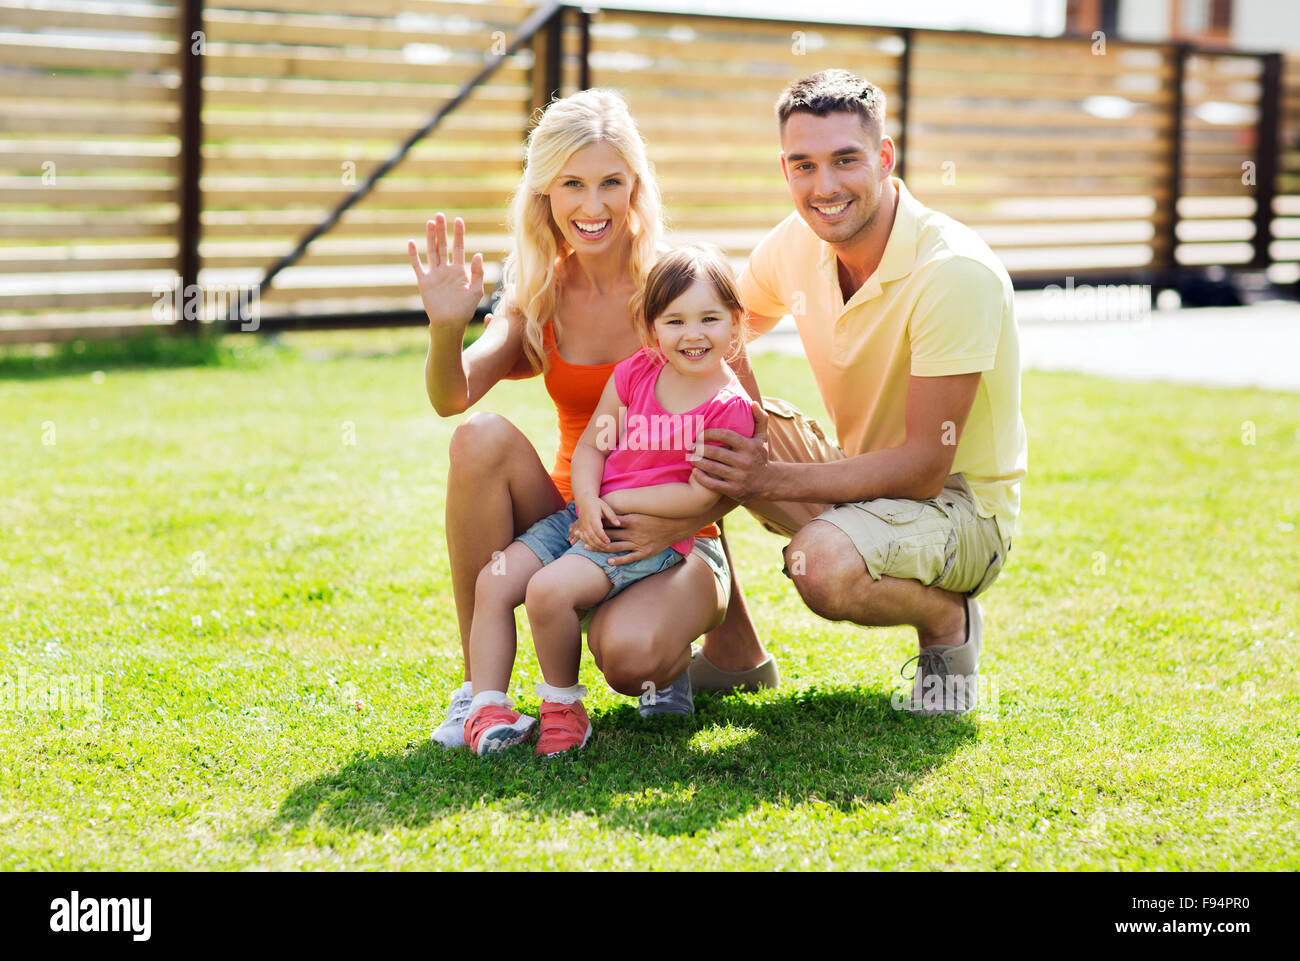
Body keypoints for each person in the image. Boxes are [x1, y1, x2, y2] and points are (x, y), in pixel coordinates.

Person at [409, 89, 762, 748]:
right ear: (545, 191)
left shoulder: (678, 288)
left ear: (636, 186)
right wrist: (445, 329)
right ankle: (478, 697)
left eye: (610, 183)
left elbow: (748, 439)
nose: (593, 206)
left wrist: (683, 516)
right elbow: (451, 395)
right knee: (477, 437)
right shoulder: (538, 292)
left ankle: (666, 657)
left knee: (628, 656)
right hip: (573, 516)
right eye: (572, 183)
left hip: (678, 528)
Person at [688, 70, 1029, 714]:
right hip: (857, 477)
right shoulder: (797, 242)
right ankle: (735, 655)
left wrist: (764, 479)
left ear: (884, 157)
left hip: (960, 510)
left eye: (845, 160)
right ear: (784, 168)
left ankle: (946, 621)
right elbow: (720, 328)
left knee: (819, 566)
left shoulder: (952, 272)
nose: (825, 187)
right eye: (804, 165)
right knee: (706, 436)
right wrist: (744, 425)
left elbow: (926, 468)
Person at [459, 245, 755, 756]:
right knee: (496, 579)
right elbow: (595, 444)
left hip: (652, 534)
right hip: (589, 513)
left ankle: (563, 709)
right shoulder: (635, 373)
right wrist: (591, 500)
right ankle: (487, 709)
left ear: (735, 324)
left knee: (549, 591)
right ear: (651, 326)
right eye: (675, 320)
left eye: (710, 318)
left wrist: (622, 503)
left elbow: (700, 494)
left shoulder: (728, 407)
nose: (693, 334)